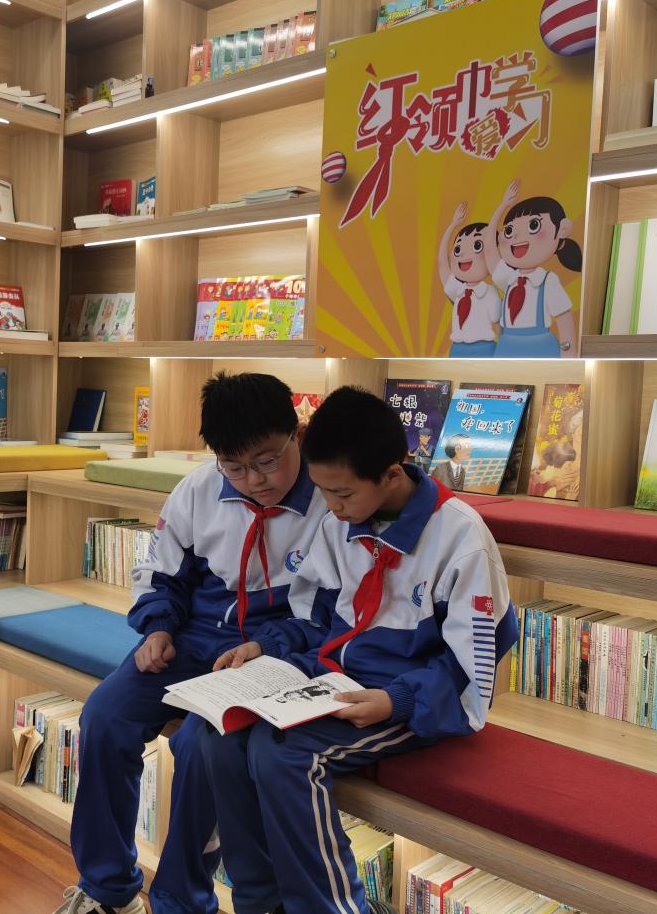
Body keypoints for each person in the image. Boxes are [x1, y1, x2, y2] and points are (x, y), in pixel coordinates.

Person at [201, 387, 518, 914]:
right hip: (333, 679)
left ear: (392, 474)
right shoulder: (340, 522)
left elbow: (472, 669)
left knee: (283, 756)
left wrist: (395, 701)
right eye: (323, 492)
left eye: (343, 495)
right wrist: (267, 646)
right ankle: (259, 901)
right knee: (221, 735)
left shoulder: (460, 536)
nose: (331, 507)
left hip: (410, 697)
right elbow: (317, 620)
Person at [55, 373, 328, 914]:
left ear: (295, 431)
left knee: (199, 748)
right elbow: (163, 575)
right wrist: (158, 628)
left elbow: (325, 613)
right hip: (192, 640)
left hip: (269, 653)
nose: (254, 479)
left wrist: (267, 647)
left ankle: (182, 900)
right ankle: (109, 889)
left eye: (268, 460)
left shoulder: (328, 501)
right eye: (235, 465)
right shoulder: (200, 489)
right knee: (105, 717)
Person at [490, 184, 581, 359]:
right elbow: (489, 251)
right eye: (509, 231)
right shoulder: (509, 278)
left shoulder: (548, 280)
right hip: (507, 346)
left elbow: (564, 320)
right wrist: (502, 206)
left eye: (533, 225)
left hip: (540, 347)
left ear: (562, 230)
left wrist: (568, 357)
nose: (516, 237)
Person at [435, 190, 517, 358]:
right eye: (458, 250)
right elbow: (442, 263)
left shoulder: (490, 292)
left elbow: (498, 319)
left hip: (485, 348)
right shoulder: (458, 289)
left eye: (477, 247)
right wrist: (453, 225)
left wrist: (502, 206)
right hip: (457, 348)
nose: (464, 255)